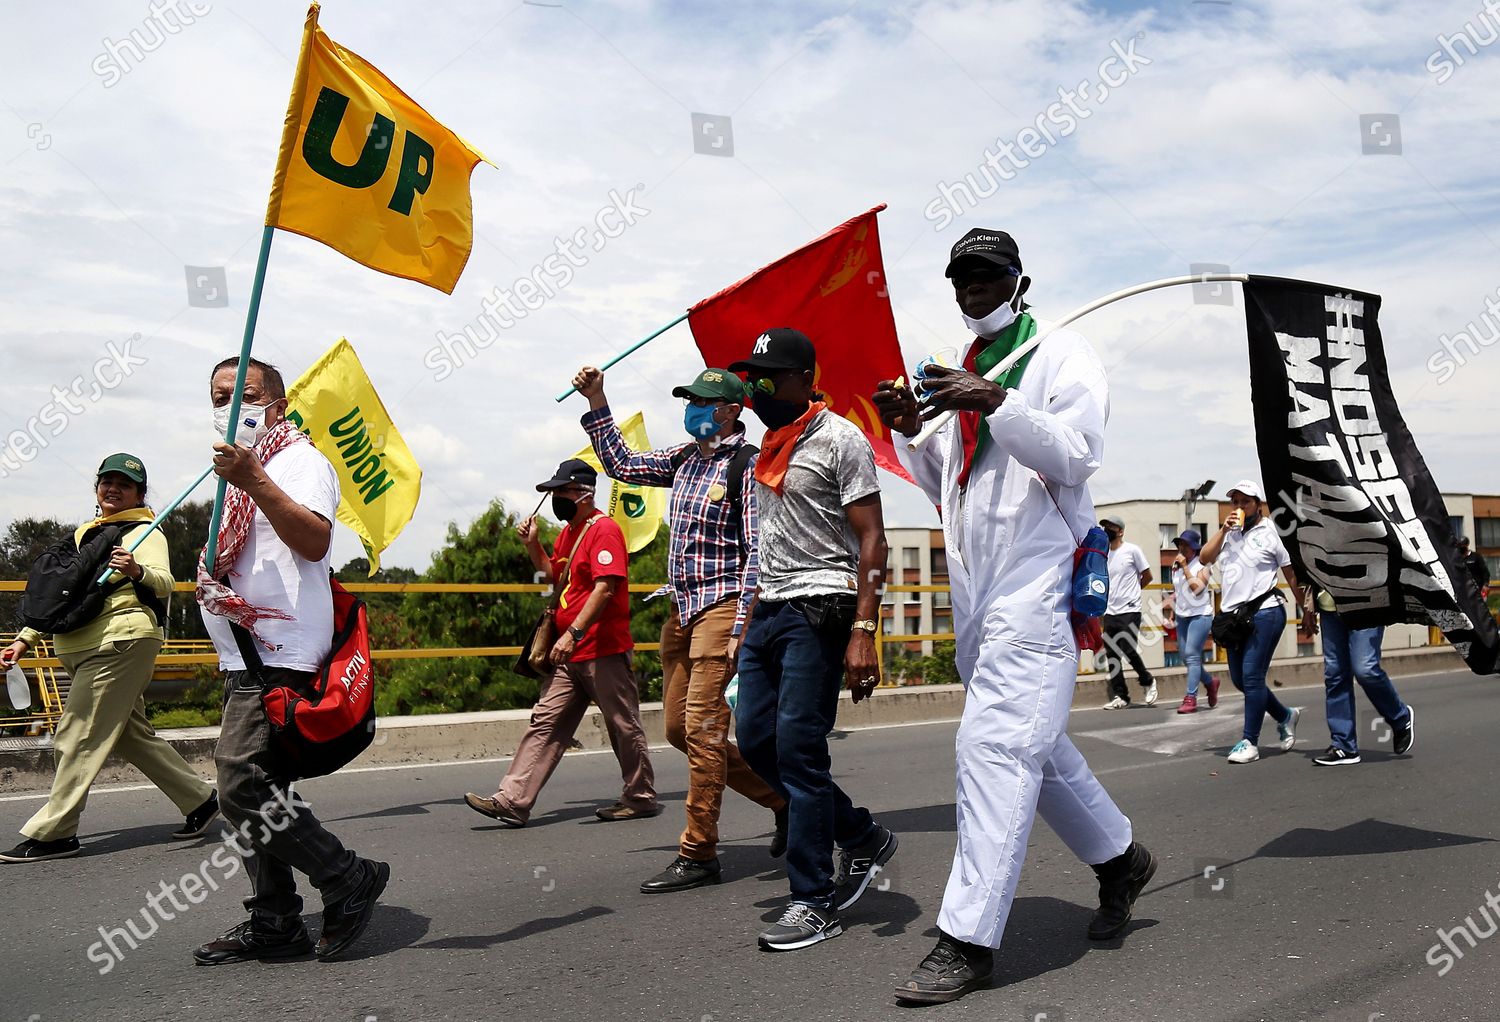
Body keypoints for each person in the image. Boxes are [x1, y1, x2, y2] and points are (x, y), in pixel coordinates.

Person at [873, 228, 1152, 1004]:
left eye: (988, 275)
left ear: (1018, 281)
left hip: (1039, 585)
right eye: (961, 277)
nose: (972, 289)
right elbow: (949, 482)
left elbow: (1075, 454)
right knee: (1039, 745)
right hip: (978, 592)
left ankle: (966, 940)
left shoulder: (1061, 356)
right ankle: (1121, 860)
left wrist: (998, 401)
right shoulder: (958, 369)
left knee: (994, 746)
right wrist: (910, 427)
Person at [194, 356, 388, 965]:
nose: (231, 408)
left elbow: (312, 539)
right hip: (243, 655)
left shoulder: (298, 461)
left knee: (241, 783)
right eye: (219, 397)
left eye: (244, 396)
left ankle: (345, 875)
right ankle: (276, 920)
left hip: (282, 654)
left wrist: (256, 479)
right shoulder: (233, 476)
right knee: (265, 786)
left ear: (276, 403)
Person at [572, 363, 787, 893]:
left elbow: (758, 553)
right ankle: (784, 800)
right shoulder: (685, 460)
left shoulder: (748, 467)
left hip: (722, 608)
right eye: (688, 399)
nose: (692, 409)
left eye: (702, 401)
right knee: (675, 730)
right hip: (681, 612)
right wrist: (599, 400)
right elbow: (621, 462)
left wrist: (741, 626)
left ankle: (698, 850)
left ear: (733, 410)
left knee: (703, 732)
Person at [727, 328, 897, 952]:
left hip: (820, 608)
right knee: (755, 742)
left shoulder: (840, 439)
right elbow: (765, 543)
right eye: (753, 377)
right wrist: (747, 618)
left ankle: (813, 898)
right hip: (768, 610)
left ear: (802, 379)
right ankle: (862, 836)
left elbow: (874, 538)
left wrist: (864, 629)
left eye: (768, 377)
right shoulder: (765, 449)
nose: (757, 387)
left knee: (799, 750)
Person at [0, 454, 217, 863]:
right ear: (96, 488)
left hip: (121, 640)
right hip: (79, 645)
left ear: (139, 493)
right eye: (107, 481)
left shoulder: (145, 530)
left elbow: (166, 582)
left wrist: (137, 571)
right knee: (130, 733)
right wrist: (25, 640)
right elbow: (64, 594)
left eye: (125, 484)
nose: (113, 489)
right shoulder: (86, 533)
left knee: (77, 732)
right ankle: (202, 800)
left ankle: (56, 832)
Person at [464, 458, 658, 827]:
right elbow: (552, 579)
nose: (555, 499)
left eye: (561, 492)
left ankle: (640, 796)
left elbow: (605, 588)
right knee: (546, 722)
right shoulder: (570, 533)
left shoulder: (604, 531)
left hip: (602, 649)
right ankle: (512, 800)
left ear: (583, 493)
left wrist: (573, 633)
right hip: (568, 653)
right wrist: (532, 546)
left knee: (622, 724)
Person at [1197, 479, 1310, 765]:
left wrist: (1306, 611)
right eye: (1235, 502)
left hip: (1266, 611)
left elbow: (1291, 574)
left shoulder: (1272, 530)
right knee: (1240, 680)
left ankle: (1250, 741)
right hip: (1234, 618)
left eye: (1245, 501)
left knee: (1252, 677)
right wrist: (1224, 529)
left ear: (1257, 504)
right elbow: (1204, 557)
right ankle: (1285, 715)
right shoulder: (1229, 534)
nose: (1239, 507)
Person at [1308, 587, 1414, 765]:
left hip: (1368, 603)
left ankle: (1400, 717)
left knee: (1365, 669)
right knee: (1335, 674)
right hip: (1329, 606)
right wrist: (1308, 606)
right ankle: (1344, 745)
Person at [1099, 515, 1156, 709]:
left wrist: (1133, 593)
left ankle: (1147, 681)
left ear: (1121, 531)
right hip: (1110, 611)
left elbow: (1147, 575)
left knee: (1128, 648)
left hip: (1130, 609)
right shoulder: (1104, 554)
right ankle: (1121, 696)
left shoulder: (1132, 550)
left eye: (1112, 527)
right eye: (1105, 526)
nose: (1108, 530)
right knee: (1112, 655)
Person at [1169, 529, 1218, 714]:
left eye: (1186, 545)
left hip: (1200, 615)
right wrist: (1173, 611)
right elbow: (1179, 590)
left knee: (1192, 654)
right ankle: (1210, 682)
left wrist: (1186, 569)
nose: (1182, 548)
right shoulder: (1177, 567)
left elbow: (1197, 588)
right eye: (1180, 544)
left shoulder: (1203, 565)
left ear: (1195, 548)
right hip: (1182, 615)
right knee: (1185, 657)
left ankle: (1191, 698)